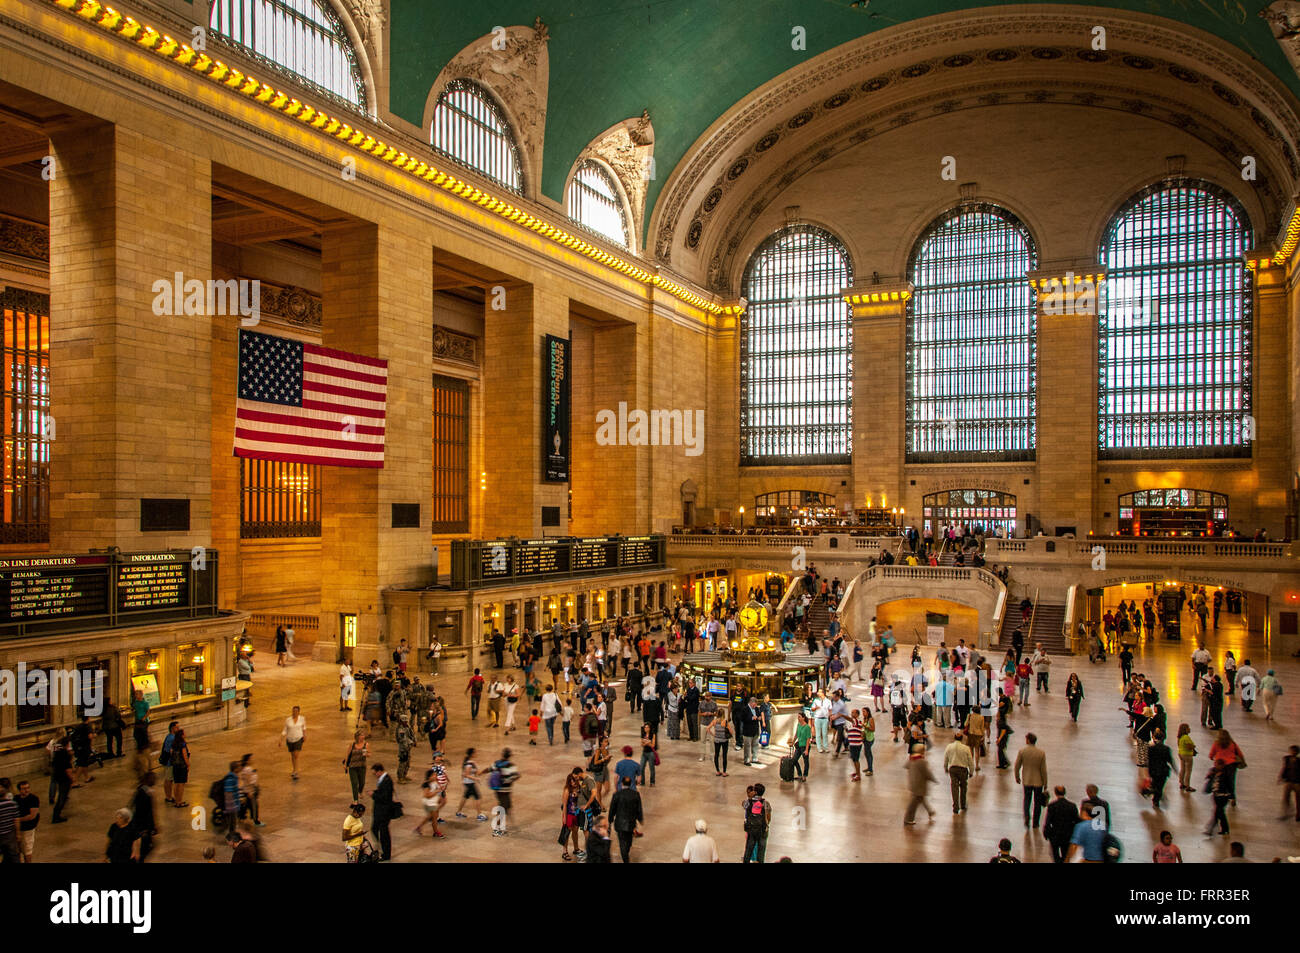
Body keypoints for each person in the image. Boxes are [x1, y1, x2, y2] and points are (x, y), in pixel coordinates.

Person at [1013, 733, 1048, 829]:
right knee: (1037, 802)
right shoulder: (1041, 753)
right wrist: (1045, 782)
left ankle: (1027, 817)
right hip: (1038, 782)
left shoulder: (1022, 751)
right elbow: (1043, 769)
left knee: (1027, 800)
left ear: (1028, 740)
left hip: (1027, 780)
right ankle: (1035, 822)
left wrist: (1017, 776)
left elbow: (1017, 765)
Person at [608, 776, 643, 863]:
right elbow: (639, 808)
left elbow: (612, 808)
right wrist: (640, 818)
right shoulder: (635, 794)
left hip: (620, 824)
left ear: (622, 783)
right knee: (628, 841)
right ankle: (626, 857)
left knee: (622, 843)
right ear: (631, 784)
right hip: (631, 823)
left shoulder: (617, 794)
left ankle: (625, 858)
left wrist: (610, 819)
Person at [1042, 786, 1077, 863]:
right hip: (1067, 835)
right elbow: (1076, 821)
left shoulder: (1052, 806)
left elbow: (1048, 821)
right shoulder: (1072, 806)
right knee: (1065, 854)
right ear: (1065, 792)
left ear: (1055, 793)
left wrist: (1046, 833)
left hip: (1055, 835)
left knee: (1055, 854)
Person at [944, 730, 974, 813]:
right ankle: (963, 804)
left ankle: (955, 806)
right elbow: (970, 760)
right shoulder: (966, 748)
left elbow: (946, 758)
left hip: (953, 769)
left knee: (954, 788)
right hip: (963, 769)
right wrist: (971, 771)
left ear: (954, 738)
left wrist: (945, 767)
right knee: (963, 787)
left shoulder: (949, 747)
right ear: (962, 739)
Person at [369, 763, 395, 860]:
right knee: (374, 828)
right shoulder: (383, 780)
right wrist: (375, 792)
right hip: (380, 811)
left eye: (374, 773)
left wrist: (373, 795)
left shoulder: (387, 781)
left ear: (379, 771)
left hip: (384, 812)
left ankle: (386, 854)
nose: (374, 775)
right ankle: (379, 846)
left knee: (384, 833)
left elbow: (385, 797)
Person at [742, 782, 771, 863]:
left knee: (748, 850)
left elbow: (743, 805)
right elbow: (769, 817)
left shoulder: (749, 802)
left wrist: (750, 797)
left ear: (755, 792)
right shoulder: (766, 803)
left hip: (751, 829)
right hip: (762, 830)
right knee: (761, 852)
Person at [1146, 730, 1174, 809]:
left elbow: (1149, 760)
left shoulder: (1151, 749)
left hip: (1153, 770)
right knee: (1160, 786)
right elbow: (1170, 760)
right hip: (1163, 771)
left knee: (1155, 783)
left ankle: (1154, 796)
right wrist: (1175, 768)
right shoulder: (1166, 749)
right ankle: (1156, 798)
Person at [1204, 759, 1232, 836]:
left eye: (1218, 764)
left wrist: (1232, 797)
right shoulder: (1213, 771)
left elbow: (1230, 785)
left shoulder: (1226, 774)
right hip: (1216, 796)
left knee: (1218, 813)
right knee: (1220, 813)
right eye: (1215, 764)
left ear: (1222, 765)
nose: (1216, 766)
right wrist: (1209, 775)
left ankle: (1210, 829)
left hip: (1223, 797)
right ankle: (1225, 829)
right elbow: (1209, 780)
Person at [13, 779, 39, 863]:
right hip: (18, 828)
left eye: (28, 788)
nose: (26, 790)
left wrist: (17, 819)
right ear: (19, 790)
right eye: (24, 788)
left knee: (27, 849)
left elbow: (32, 816)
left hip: (28, 828)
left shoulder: (33, 799)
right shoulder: (16, 798)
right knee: (19, 849)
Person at [50, 738, 73, 823]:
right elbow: (68, 768)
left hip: (58, 776)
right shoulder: (65, 754)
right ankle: (56, 816)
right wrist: (72, 778)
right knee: (62, 797)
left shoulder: (57, 753)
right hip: (64, 778)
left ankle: (56, 814)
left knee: (61, 796)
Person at [280, 705, 306, 780]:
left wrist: (304, 735)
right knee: (293, 756)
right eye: (293, 711)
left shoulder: (302, 719)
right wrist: (280, 739)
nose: (294, 712)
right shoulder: (288, 720)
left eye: (296, 711)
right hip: (290, 739)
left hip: (298, 738)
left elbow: (304, 727)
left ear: (298, 712)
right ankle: (294, 770)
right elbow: (285, 730)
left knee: (296, 755)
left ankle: (296, 771)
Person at [1280, 745, 1300, 822]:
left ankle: (1298, 814)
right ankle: (1286, 812)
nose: (1292, 752)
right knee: (1286, 798)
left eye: (1294, 751)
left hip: (1297, 783)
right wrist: (1281, 776)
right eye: (1291, 751)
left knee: (1298, 799)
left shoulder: (1299, 761)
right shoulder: (1286, 758)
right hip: (1288, 781)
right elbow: (1284, 768)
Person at [639, 721, 657, 786]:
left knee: (651, 768)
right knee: (641, 767)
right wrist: (648, 742)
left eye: (647, 727)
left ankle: (652, 782)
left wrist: (646, 742)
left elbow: (653, 745)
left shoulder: (653, 734)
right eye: (645, 727)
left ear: (650, 728)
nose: (646, 729)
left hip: (651, 753)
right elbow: (641, 744)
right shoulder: (643, 734)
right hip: (644, 752)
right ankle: (642, 781)